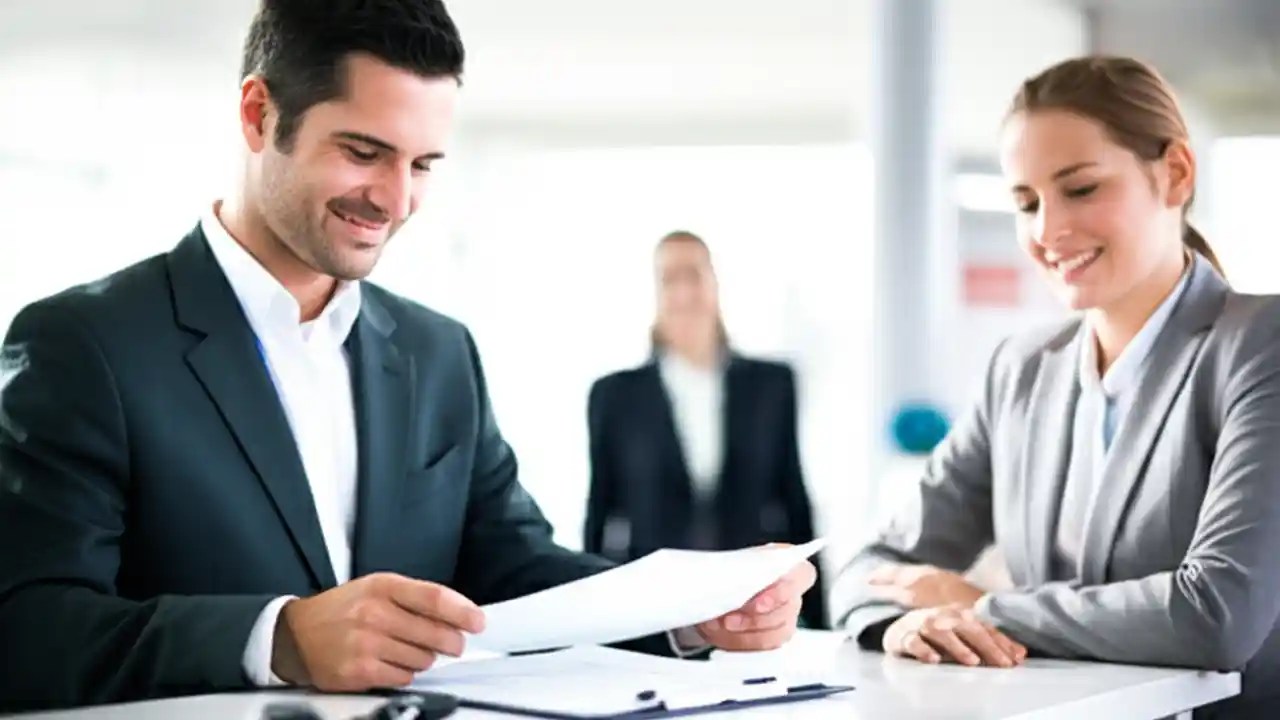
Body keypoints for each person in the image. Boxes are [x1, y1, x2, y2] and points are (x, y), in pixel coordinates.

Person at [0, 1, 815, 712]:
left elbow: (509, 565)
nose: (394, 202)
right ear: (257, 116)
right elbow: (27, 630)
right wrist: (277, 638)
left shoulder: (436, 351)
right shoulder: (86, 344)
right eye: (362, 152)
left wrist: (683, 612)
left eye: (422, 164)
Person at [831, 55, 1280, 718]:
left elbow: (1216, 614)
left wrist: (982, 609)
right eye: (1025, 202)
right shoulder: (1022, 370)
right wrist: (899, 623)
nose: (1046, 230)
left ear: (1175, 174)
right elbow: (871, 565)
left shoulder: (1257, 345)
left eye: (1081, 189)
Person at [584, 231, 827, 629]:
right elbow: (600, 515)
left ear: (715, 282)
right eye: (669, 278)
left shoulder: (772, 386)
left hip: (751, 605)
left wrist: (818, 621)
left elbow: (795, 501)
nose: (684, 291)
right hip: (652, 610)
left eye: (694, 274)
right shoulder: (615, 396)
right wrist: (592, 620)